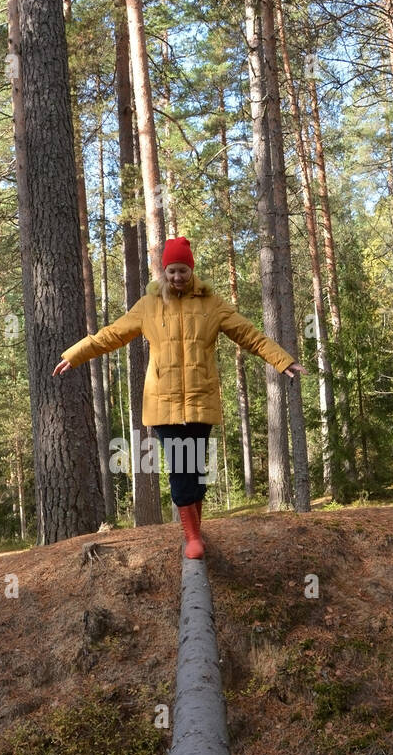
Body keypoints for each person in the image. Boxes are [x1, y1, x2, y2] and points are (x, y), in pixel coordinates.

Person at [53, 235, 305, 559]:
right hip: (164, 403)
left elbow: (249, 334)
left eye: (182, 271)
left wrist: (282, 360)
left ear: (191, 270)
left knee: (196, 469)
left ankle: (195, 532)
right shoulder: (148, 305)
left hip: (201, 400)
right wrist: (76, 354)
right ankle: (193, 538)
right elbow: (111, 335)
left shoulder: (212, 304)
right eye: (171, 271)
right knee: (180, 467)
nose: (176, 277)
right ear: (163, 271)